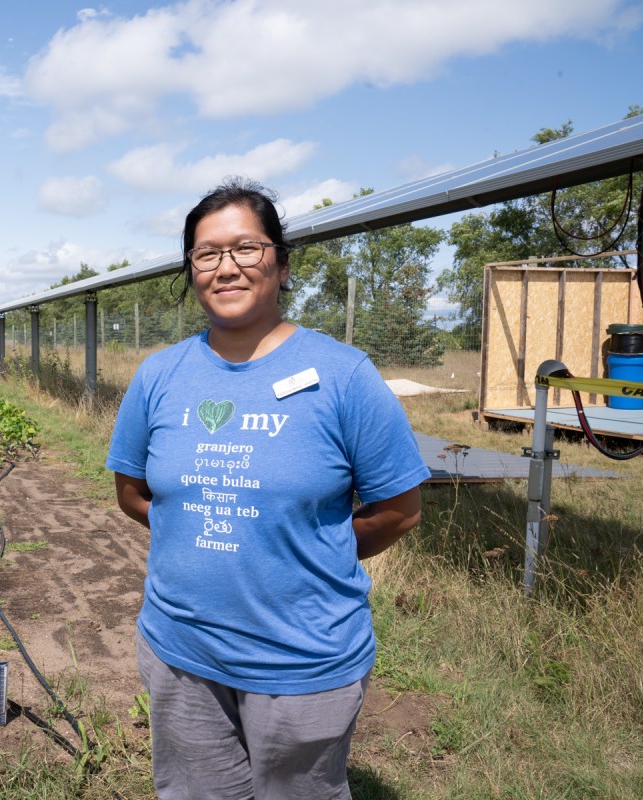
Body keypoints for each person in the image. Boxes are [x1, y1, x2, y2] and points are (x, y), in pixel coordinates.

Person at [106, 177, 430, 800]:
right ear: (191, 271)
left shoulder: (344, 376)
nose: (226, 267)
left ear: (281, 265)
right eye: (206, 254)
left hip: (303, 660)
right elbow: (133, 493)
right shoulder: (160, 376)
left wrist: (308, 550)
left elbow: (398, 510)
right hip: (182, 652)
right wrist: (214, 529)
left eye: (246, 249)